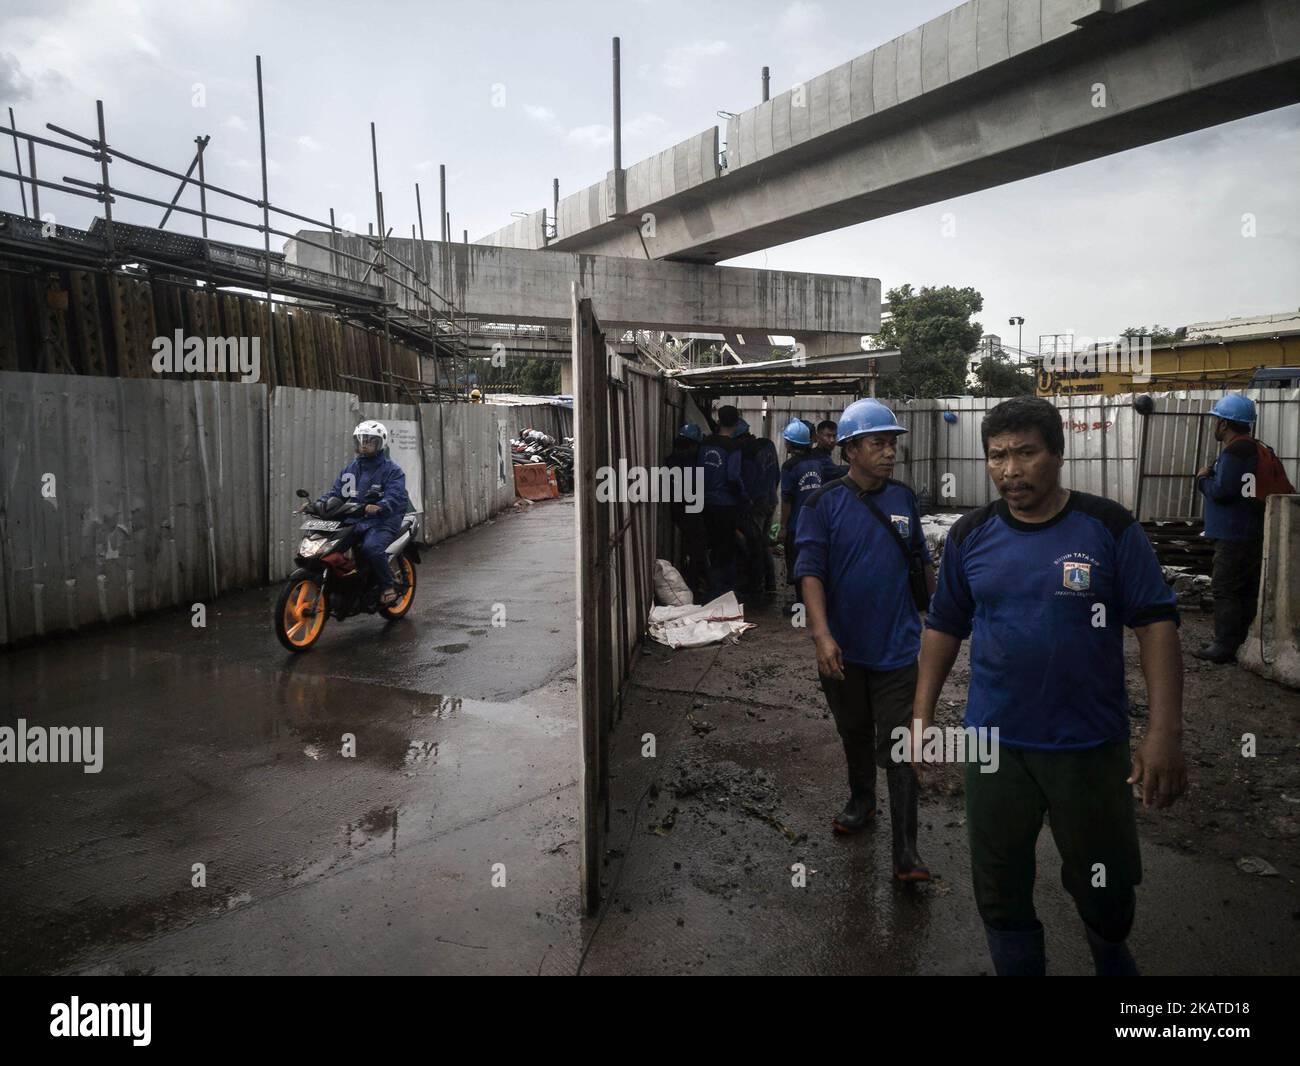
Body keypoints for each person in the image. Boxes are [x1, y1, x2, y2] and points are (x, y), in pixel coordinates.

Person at [913, 396, 1185, 976]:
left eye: (1025, 453)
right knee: (1000, 884)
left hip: (1088, 746)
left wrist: (1164, 732)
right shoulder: (970, 535)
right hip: (994, 749)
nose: (1011, 470)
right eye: (997, 456)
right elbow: (943, 625)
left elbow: (1155, 623)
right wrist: (920, 720)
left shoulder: (1108, 528)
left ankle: (1112, 958)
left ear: (1057, 455)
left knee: (1105, 886)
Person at [795, 398, 935, 879]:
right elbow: (809, 571)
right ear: (850, 450)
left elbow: (920, 559)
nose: (890, 451)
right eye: (879, 443)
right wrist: (821, 636)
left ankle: (906, 852)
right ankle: (861, 801)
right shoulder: (821, 504)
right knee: (853, 730)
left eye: (892, 442)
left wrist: (938, 616)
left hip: (898, 648)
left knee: (899, 743)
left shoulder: (904, 498)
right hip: (843, 650)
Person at [1193, 394, 1293, 664]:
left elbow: (1225, 492)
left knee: (1225, 588)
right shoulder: (1256, 447)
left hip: (1235, 534)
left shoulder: (1237, 451)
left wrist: (1203, 479)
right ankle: (1239, 642)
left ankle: (1224, 646)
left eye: (1216, 420)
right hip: (1249, 531)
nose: (1214, 425)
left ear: (1224, 424)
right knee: (1245, 589)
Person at [314, 420, 410, 606]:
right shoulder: (351, 468)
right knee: (330, 546)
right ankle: (347, 582)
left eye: (369, 441)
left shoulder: (392, 470)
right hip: (355, 518)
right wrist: (318, 504)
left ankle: (387, 586)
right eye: (361, 440)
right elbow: (336, 493)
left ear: (380, 443)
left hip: (384, 520)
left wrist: (381, 505)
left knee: (371, 548)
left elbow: (395, 495)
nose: (364, 444)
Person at [777, 418, 840, 614]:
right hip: (818, 522)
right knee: (817, 562)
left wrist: (783, 526)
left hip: (797, 524)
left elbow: (787, 499)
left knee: (798, 565)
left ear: (789, 443)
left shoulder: (789, 466)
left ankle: (802, 606)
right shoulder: (818, 462)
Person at [699, 406, 749, 600]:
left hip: (705, 502)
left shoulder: (705, 443)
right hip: (726, 504)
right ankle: (721, 591)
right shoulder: (733, 447)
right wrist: (744, 498)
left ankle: (711, 587)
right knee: (726, 548)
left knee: (711, 545)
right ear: (737, 424)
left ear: (718, 421)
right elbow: (733, 476)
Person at [735, 417, 780, 601]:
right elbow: (776, 474)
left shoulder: (746, 453)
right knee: (763, 543)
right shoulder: (768, 445)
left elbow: (747, 482)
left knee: (755, 546)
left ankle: (756, 586)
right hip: (770, 500)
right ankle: (770, 584)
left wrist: (747, 503)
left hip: (757, 504)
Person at [663, 423, 709, 598]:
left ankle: (693, 582)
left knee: (693, 547)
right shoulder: (691, 463)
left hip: (678, 511)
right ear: (692, 444)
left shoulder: (670, 461)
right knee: (698, 548)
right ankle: (693, 586)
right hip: (690, 511)